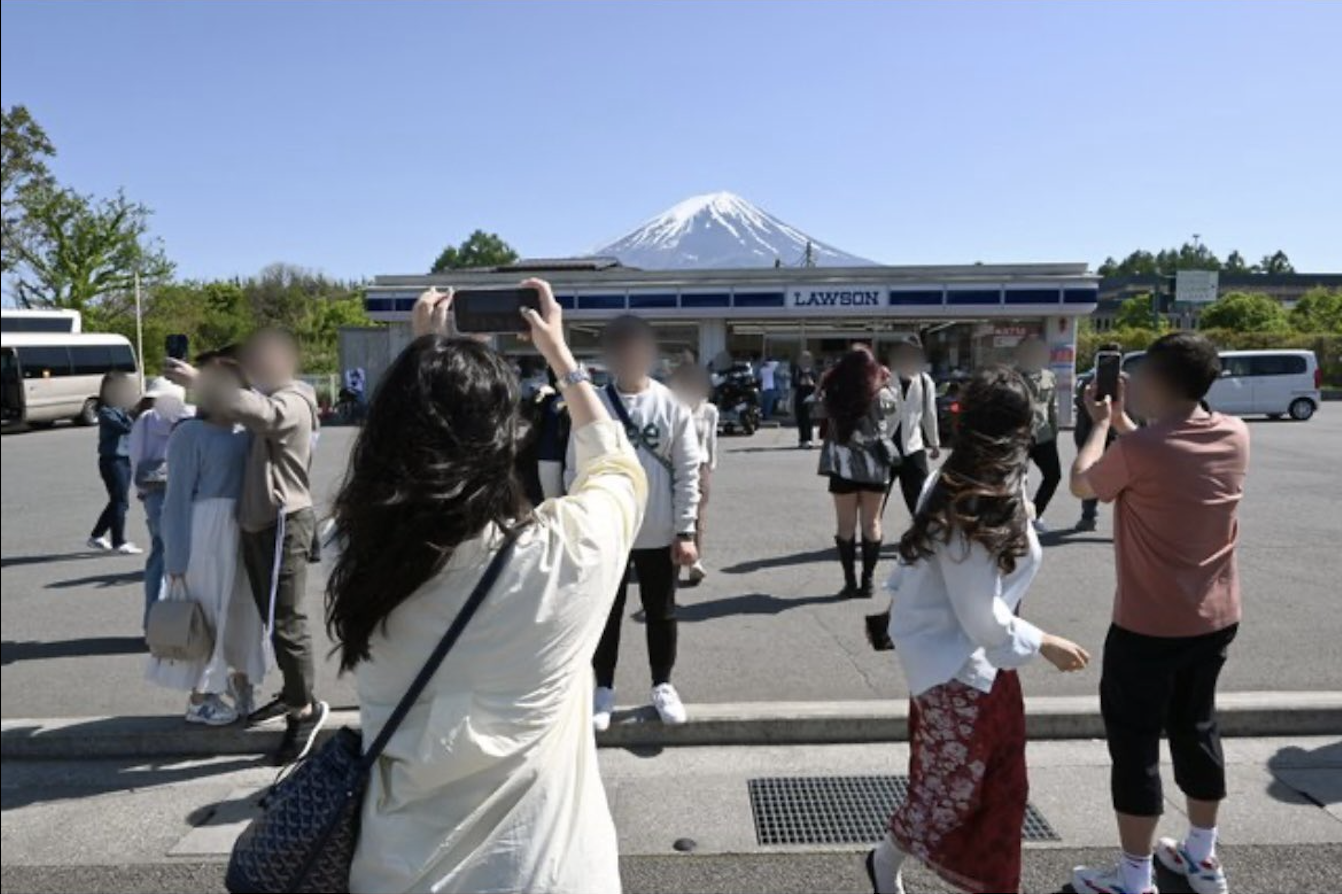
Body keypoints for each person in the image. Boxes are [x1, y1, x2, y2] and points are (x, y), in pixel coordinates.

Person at [330, 280, 646, 894]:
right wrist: (560, 356)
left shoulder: (359, 550)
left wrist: (429, 359)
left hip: (395, 871)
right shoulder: (563, 554)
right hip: (544, 872)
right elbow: (617, 468)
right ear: (508, 439)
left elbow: (406, 471)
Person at [868, 365, 1091, 894]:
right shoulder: (977, 496)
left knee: (996, 784)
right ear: (1022, 430)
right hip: (957, 667)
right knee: (954, 791)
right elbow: (980, 615)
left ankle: (964, 879)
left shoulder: (964, 478)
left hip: (978, 663)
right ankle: (882, 861)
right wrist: (1046, 642)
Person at [1070, 332, 1249, 894]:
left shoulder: (1141, 450)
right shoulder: (1234, 435)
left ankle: (1134, 877)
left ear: (1160, 381)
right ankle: (1201, 857)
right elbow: (1161, 456)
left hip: (1148, 627)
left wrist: (1100, 423)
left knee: (1136, 746)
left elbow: (1083, 483)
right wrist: (1126, 424)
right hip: (1215, 617)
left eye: (1141, 373)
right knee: (1197, 729)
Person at [166, 328, 325, 765]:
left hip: (276, 523)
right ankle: (288, 695)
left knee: (281, 622)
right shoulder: (203, 431)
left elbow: (266, 416)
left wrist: (202, 381)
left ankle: (303, 709)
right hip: (250, 528)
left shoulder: (291, 399)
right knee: (262, 620)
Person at [569, 314, 699, 731]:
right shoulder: (596, 405)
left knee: (661, 612)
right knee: (605, 613)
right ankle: (602, 688)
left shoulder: (671, 405)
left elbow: (688, 470)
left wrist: (686, 530)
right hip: (608, 532)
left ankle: (662, 684)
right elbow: (577, 468)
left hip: (658, 530)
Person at [146, 351, 270, 725]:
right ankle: (201, 697)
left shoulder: (249, 433)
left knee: (245, 611)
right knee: (208, 613)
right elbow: (176, 500)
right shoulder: (189, 433)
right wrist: (175, 559)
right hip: (206, 530)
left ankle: (243, 681)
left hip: (243, 528)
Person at [816, 346, 900, 599]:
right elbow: (893, 411)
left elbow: (820, 412)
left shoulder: (834, 391)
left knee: (845, 525)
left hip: (842, 466)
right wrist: (887, 381)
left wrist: (824, 383)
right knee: (872, 523)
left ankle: (849, 582)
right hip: (875, 465)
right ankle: (868, 582)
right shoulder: (881, 393)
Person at [128, 377, 190, 628]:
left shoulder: (145, 420)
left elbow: (135, 455)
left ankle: (152, 620)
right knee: (184, 556)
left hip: (154, 491)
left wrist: (140, 489)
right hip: (183, 490)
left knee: (159, 555)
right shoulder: (187, 418)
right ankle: (180, 621)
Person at [671, 363, 718, 585]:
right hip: (673, 467)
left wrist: (711, 466)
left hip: (700, 466)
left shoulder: (709, 410)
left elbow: (711, 442)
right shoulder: (671, 407)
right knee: (672, 515)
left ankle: (695, 561)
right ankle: (671, 558)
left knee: (697, 514)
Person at [87, 373, 144, 556]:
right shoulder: (106, 411)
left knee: (118, 501)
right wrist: (135, 412)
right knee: (120, 501)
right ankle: (118, 542)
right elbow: (126, 427)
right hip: (112, 461)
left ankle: (96, 535)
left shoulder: (121, 408)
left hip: (125, 459)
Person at [886, 335, 942, 516]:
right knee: (878, 496)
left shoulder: (925, 382)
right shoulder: (885, 378)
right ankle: (871, 538)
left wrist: (934, 443)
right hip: (885, 447)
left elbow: (929, 414)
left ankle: (922, 536)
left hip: (913, 447)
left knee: (920, 497)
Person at [1072, 341, 1123, 532]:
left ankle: (1121, 518)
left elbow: (1135, 411)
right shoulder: (1088, 383)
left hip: (1113, 436)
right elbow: (1081, 408)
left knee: (1123, 479)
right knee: (1090, 476)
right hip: (1092, 435)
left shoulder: (1126, 383)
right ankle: (1088, 516)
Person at [1015, 336, 1061, 533]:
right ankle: (1014, 519)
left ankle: (1035, 514)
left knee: (1053, 475)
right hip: (1018, 437)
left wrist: (1055, 432)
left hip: (1043, 435)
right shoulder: (1012, 377)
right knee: (1015, 480)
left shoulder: (1049, 377)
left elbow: (1052, 407)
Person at [793, 351, 819, 448]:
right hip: (799, 397)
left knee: (808, 420)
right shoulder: (797, 370)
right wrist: (800, 382)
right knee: (800, 419)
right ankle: (802, 439)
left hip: (809, 398)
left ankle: (808, 439)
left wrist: (811, 383)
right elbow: (794, 383)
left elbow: (817, 384)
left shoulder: (813, 371)